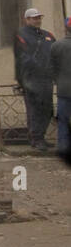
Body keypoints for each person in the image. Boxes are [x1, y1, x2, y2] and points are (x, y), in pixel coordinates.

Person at [14, 7, 56, 151]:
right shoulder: (21, 35)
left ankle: (41, 136)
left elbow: (55, 53)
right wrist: (39, 67)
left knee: (48, 109)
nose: (37, 20)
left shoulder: (47, 35)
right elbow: (23, 57)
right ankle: (36, 138)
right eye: (34, 18)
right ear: (27, 19)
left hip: (47, 79)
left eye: (39, 17)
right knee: (34, 110)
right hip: (31, 79)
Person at [50, 17, 71, 158]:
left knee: (63, 120)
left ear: (66, 29)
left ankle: (63, 147)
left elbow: (52, 68)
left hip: (64, 90)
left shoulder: (56, 46)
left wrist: (57, 80)